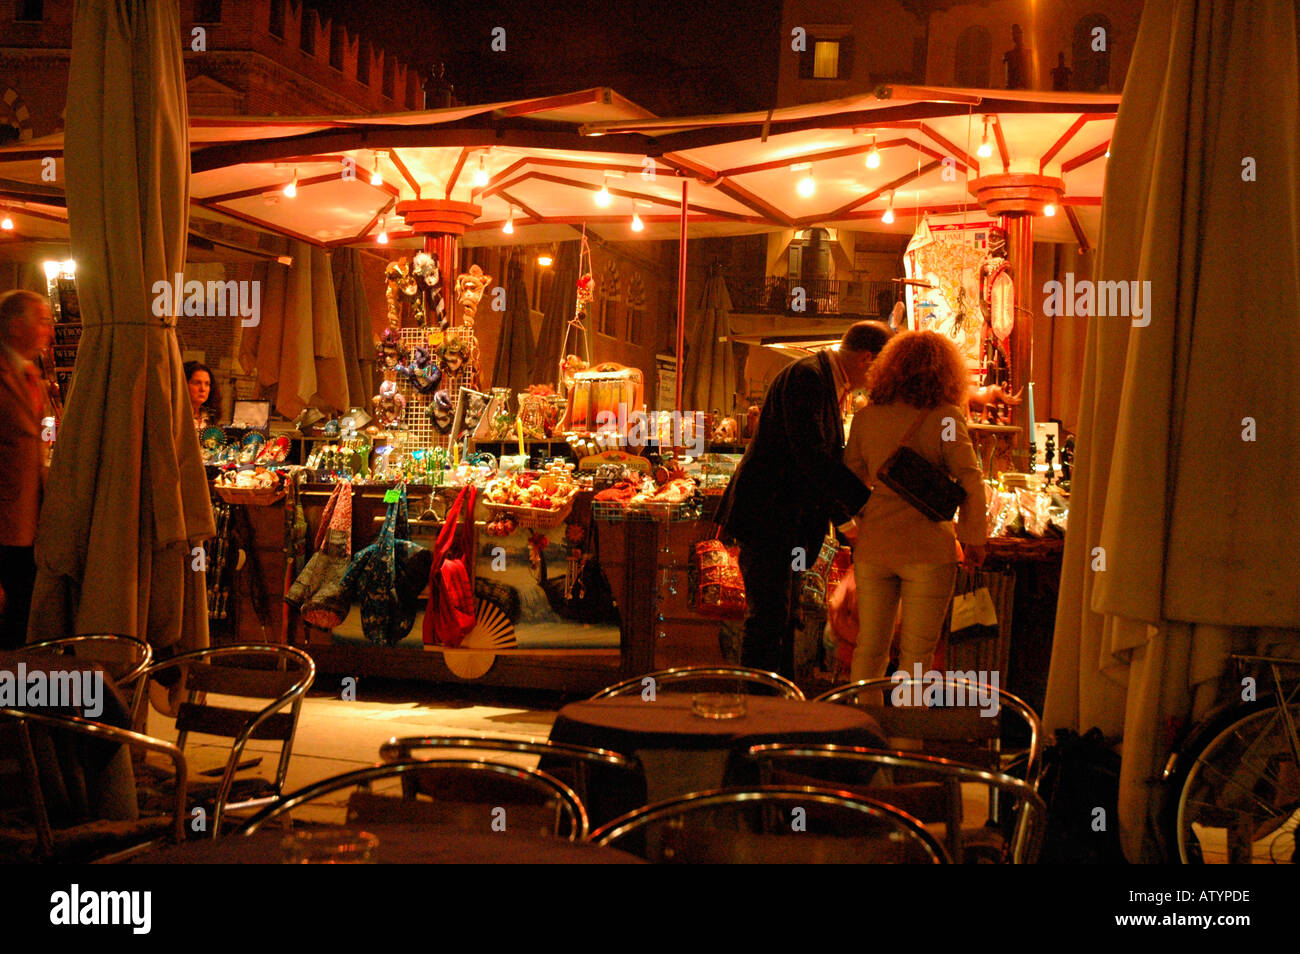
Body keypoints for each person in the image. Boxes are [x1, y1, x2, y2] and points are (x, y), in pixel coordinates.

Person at [715, 320, 894, 677]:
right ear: (866, 359)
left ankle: (779, 702)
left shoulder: (822, 379)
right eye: (883, 369)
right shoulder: (808, 377)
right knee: (768, 620)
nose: (882, 379)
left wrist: (850, 518)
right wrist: (863, 508)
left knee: (783, 619)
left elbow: (818, 461)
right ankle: (759, 711)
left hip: (786, 526)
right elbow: (812, 457)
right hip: (769, 521)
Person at [842, 330, 987, 685]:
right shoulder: (947, 418)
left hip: (875, 548)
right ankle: (908, 737)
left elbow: (847, 483)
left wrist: (863, 522)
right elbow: (971, 480)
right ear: (946, 373)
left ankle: (864, 730)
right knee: (917, 659)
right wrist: (974, 538)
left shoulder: (867, 418)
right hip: (929, 550)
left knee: (869, 648)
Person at [0, 289, 55, 649]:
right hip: (4, 530)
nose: (50, 331)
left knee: (23, 625)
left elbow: (44, 430)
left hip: (31, 527)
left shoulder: (34, 375)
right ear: (17, 326)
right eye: (44, 322)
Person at [184, 360, 220, 429]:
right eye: (197, 383)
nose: (203, 389)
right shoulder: (177, 417)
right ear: (184, 385)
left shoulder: (210, 417)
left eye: (207, 384)